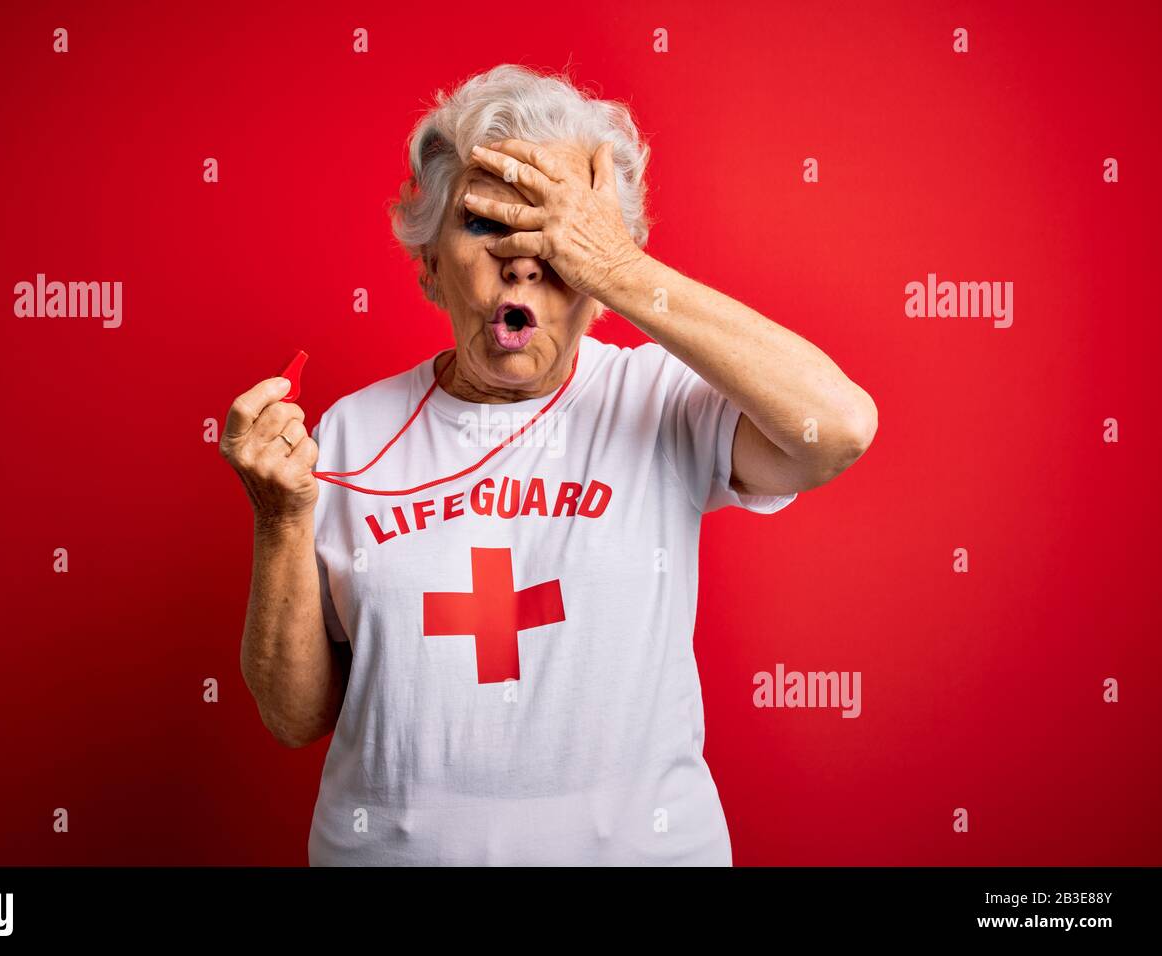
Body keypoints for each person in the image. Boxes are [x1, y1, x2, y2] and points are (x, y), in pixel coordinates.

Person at [220, 64, 877, 865]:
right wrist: (282, 519)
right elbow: (294, 717)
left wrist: (621, 266)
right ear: (429, 266)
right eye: (487, 224)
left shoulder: (661, 401)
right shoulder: (350, 435)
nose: (525, 258)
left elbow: (837, 428)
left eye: (557, 232)